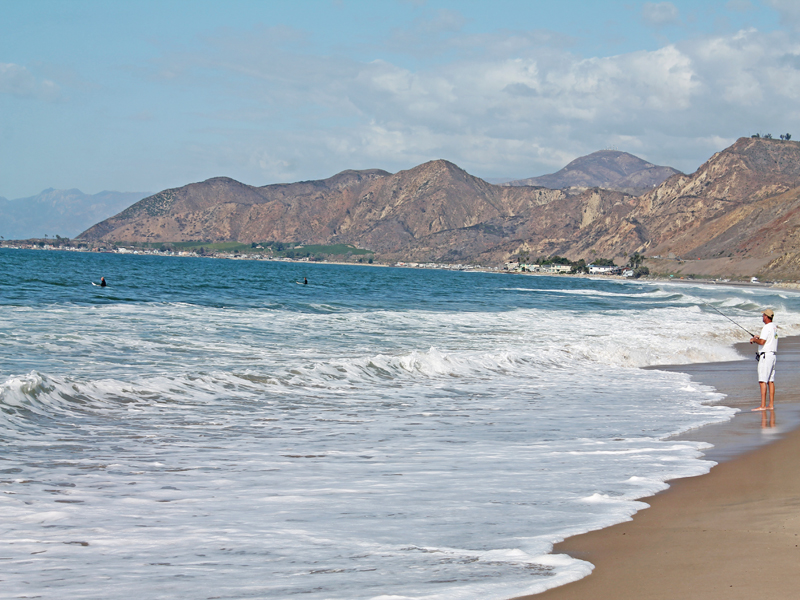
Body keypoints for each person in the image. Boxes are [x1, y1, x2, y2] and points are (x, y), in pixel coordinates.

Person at [750, 308, 777, 411]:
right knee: (770, 381)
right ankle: (770, 405)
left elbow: (762, 342)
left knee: (762, 380)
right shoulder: (774, 327)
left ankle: (762, 406)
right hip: (773, 355)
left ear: (766, 316)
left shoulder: (766, 327)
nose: (762, 317)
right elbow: (766, 339)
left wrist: (754, 340)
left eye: (763, 315)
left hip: (766, 356)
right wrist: (758, 338)